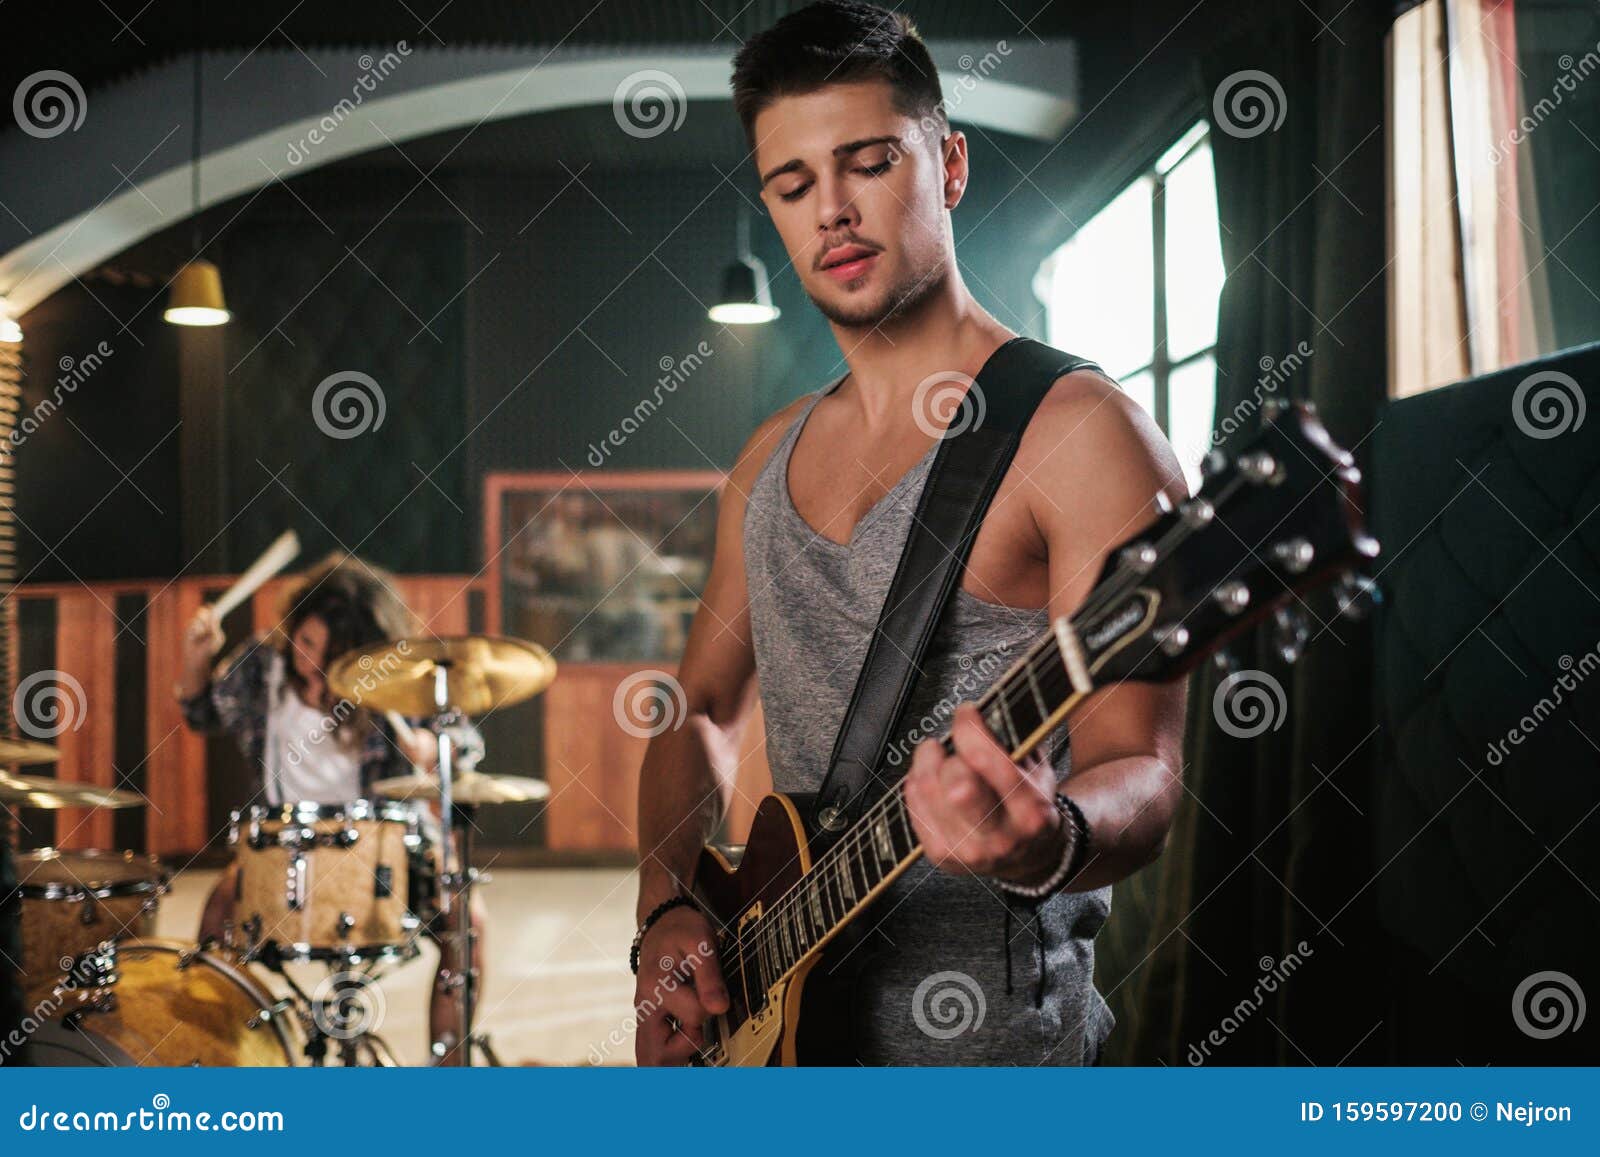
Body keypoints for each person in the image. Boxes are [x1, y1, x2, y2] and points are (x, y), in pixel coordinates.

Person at [633, 1, 1188, 1065]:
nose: (831, 210)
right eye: (792, 187)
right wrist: (665, 908)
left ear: (951, 165)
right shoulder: (764, 458)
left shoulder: (1079, 432)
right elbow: (696, 707)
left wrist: (1048, 835)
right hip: (780, 1045)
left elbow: (1142, 765)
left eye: (869, 162)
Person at [178, 551, 486, 1064]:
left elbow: (466, 742)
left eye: (326, 649)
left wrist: (437, 751)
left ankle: (448, 1074)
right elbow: (201, 711)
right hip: (284, 849)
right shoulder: (263, 667)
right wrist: (195, 660)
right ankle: (215, 1064)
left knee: (468, 924)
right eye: (303, 640)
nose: (308, 657)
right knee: (217, 913)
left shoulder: (393, 677)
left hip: (382, 854)